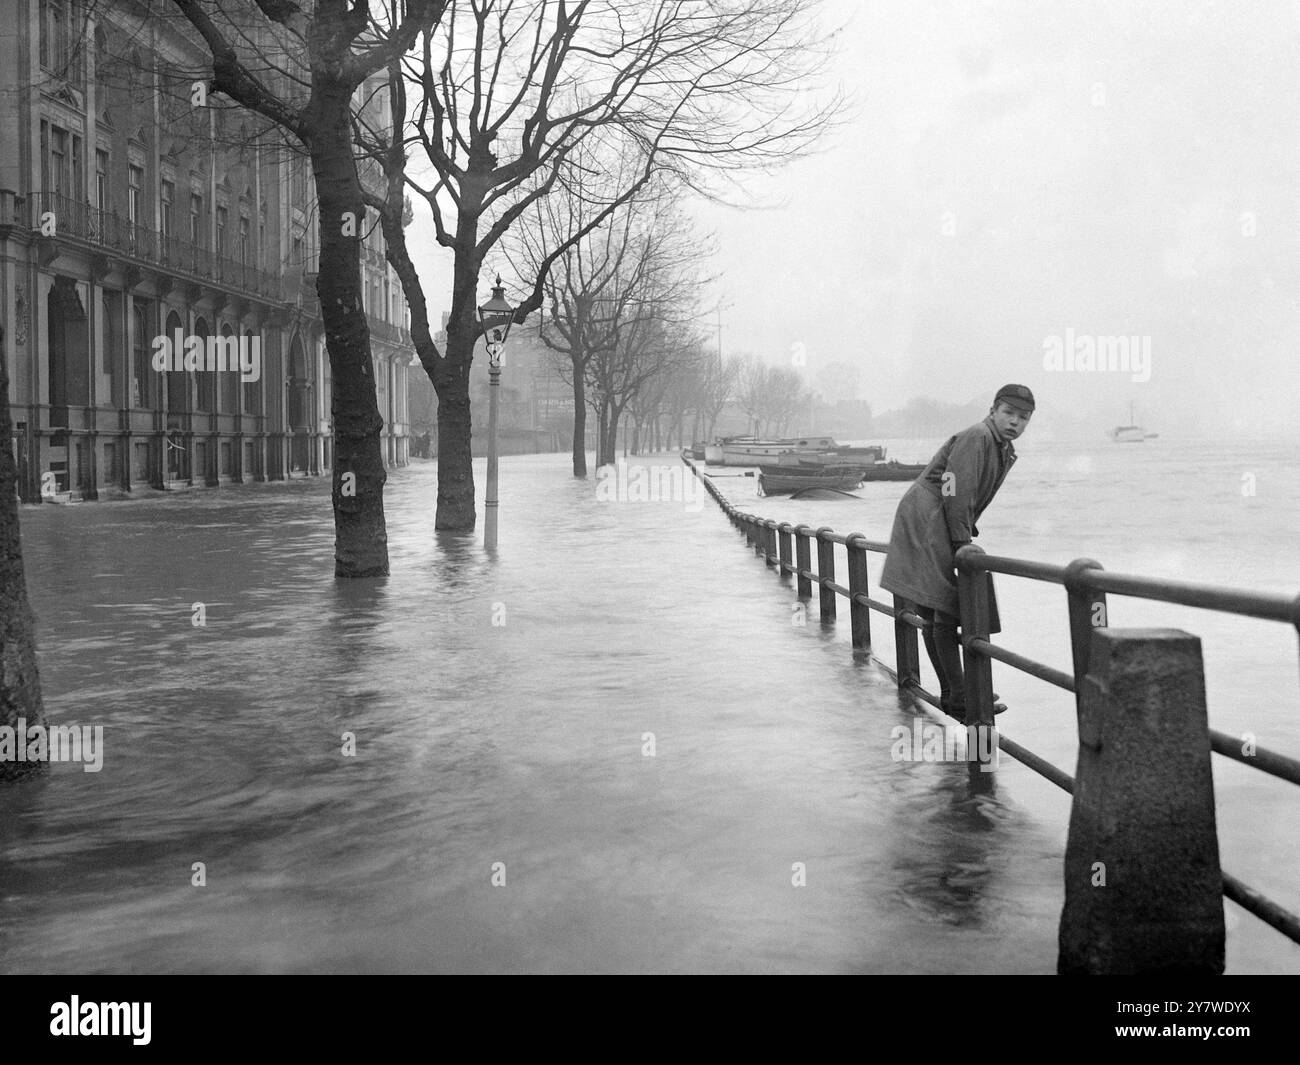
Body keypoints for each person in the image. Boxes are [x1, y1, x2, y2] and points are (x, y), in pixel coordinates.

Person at [879, 384, 1034, 724]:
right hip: (930, 515)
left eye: (1023, 418)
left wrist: (963, 529)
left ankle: (954, 691)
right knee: (944, 607)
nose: (1014, 423)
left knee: (934, 609)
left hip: (930, 514)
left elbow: (964, 492)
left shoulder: (999, 446)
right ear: (993, 410)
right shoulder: (978, 437)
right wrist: (961, 539)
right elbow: (954, 487)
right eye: (1009, 414)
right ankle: (961, 694)